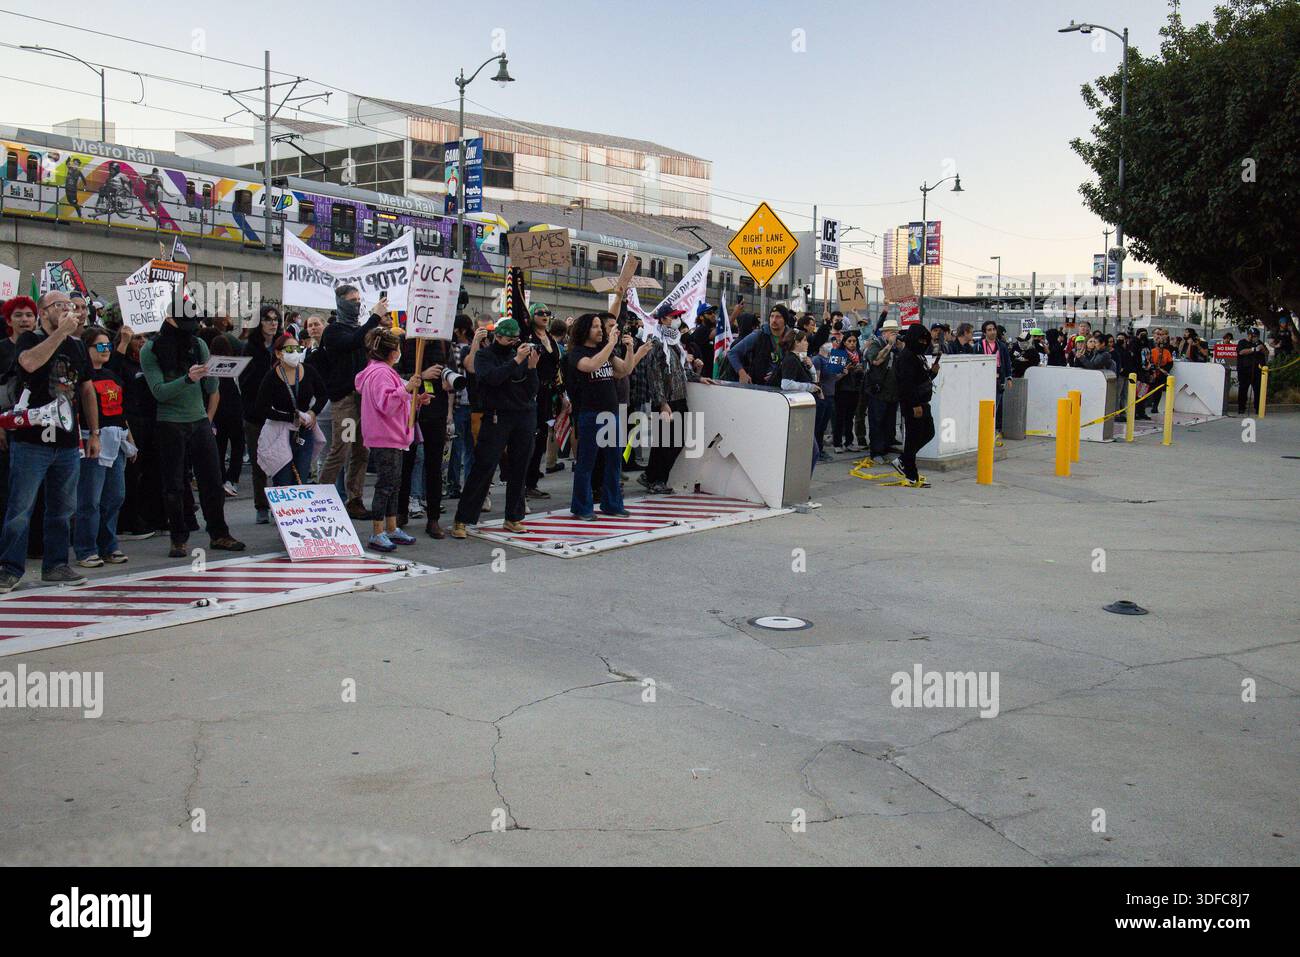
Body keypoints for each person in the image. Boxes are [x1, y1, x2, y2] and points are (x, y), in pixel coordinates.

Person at [0, 291, 101, 591]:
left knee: (62, 508)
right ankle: (9, 567)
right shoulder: (30, 339)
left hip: (67, 441)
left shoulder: (79, 346)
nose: (69, 311)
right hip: (32, 439)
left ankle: (56, 565)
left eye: (71, 307)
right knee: (21, 507)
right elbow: (30, 364)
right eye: (61, 306)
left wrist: (93, 433)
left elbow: (85, 390)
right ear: (44, 313)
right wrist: (60, 334)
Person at [140, 308, 245, 558]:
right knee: (174, 483)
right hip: (169, 422)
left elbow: (212, 386)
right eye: (184, 322)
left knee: (212, 480)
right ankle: (178, 538)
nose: (190, 327)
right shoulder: (151, 349)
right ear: (169, 319)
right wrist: (188, 379)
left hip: (198, 421)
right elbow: (159, 392)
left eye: (193, 321)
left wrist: (208, 414)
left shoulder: (198, 344)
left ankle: (219, 533)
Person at [452, 317, 542, 538]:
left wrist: (531, 368)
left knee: (519, 467)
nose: (513, 343)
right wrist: (516, 361)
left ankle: (513, 517)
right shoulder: (485, 356)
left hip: (523, 415)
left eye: (516, 339)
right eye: (508, 339)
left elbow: (532, 390)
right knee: (484, 466)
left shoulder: (519, 354)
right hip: (497, 416)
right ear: (498, 337)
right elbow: (492, 379)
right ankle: (463, 519)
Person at [563, 312, 652, 523]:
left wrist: (631, 350)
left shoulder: (606, 353)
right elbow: (591, 366)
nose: (600, 330)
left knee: (614, 462)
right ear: (585, 330)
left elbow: (625, 370)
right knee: (587, 463)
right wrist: (610, 344)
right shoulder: (576, 353)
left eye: (600, 327)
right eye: (595, 327)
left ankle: (612, 503)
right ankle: (581, 507)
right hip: (590, 413)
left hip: (611, 412)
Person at [355, 327, 430, 551]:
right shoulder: (380, 373)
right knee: (386, 485)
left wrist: (415, 399)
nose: (399, 352)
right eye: (397, 348)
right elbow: (386, 404)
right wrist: (407, 389)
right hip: (385, 435)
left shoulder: (383, 371)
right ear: (391, 352)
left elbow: (396, 399)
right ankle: (377, 531)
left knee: (393, 485)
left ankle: (391, 526)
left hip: (392, 434)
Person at [318, 286, 387, 518]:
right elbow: (352, 342)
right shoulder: (334, 331)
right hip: (346, 401)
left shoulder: (360, 329)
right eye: (352, 300)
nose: (357, 304)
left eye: (359, 299)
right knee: (341, 449)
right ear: (340, 303)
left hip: (363, 400)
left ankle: (354, 499)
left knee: (362, 451)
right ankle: (320, 498)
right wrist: (374, 317)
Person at [73, 327, 135, 568]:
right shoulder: (81, 377)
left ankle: (108, 544)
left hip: (116, 439)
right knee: (90, 499)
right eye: (100, 346)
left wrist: (130, 438)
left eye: (108, 346)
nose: (105, 350)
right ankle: (86, 548)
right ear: (86, 349)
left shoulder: (113, 374)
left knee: (115, 496)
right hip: (93, 440)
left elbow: (121, 409)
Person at [638, 304, 705, 494]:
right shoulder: (656, 342)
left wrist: (698, 377)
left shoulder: (675, 342)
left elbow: (682, 371)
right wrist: (662, 403)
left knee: (668, 442)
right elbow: (654, 376)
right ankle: (657, 480)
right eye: (673, 317)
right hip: (667, 401)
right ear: (663, 319)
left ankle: (651, 476)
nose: (677, 320)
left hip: (678, 397)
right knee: (668, 443)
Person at [255, 333, 327, 487]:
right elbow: (261, 408)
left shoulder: (308, 371)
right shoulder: (271, 377)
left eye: (297, 348)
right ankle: (280, 510)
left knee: (300, 478)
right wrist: (290, 417)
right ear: (279, 353)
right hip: (280, 431)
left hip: (304, 430)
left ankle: (298, 510)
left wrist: (313, 412)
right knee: (283, 480)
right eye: (289, 349)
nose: (294, 352)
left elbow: (323, 395)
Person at [240, 305, 281, 523]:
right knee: (258, 462)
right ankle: (261, 506)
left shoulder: (280, 346)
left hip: (278, 412)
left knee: (280, 459)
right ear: (259, 323)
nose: (273, 323)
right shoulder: (249, 348)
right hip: (255, 413)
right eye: (268, 319)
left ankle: (279, 505)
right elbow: (245, 382)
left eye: (275, 319)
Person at [523, 302, 563, 500]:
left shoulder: (550, 339)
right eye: (540, 313)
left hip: (548, 393)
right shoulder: (527, 336)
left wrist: (561, 395)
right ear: (532, 316)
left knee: (541, 438)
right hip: (532, 392)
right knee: (529, 438)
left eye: (548, 313)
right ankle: (522, 480)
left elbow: (556, 368)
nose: (545, 316)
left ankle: (531, 483)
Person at [893, 324, 940, 488]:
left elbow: (921, 380)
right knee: (913, 438)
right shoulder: (906, 357)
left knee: (929, 432)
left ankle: (904, 460)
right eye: (920, 340)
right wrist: (914, 404)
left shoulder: (918, 355)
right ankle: (911, 474)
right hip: (913, 404)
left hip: (922, 402)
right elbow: (907, 384)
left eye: (925, 340)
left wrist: (933, 373)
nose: (923, 343)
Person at [776, 330, 822, 471]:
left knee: (811, 452)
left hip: (800, 411)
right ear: (796, 342)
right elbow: (787, 384)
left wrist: (811, 367)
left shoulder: (799, 360)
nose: (807, 343)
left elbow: (814, 380)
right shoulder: (791, 359)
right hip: (794, 413)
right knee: (812, 451)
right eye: (804, 340)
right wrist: (810, 387)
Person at [208, 336, 245, 496]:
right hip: (235, 409)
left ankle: (221, 478)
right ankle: (232, 479)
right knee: (238, 445)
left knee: (220, 446)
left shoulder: (209, 365)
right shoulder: (235, 363)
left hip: (217, 411)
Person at [864, 318, 902, 461]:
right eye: (892, 332)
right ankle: (876, 452)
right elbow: (875, 360)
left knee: (889, 421)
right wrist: (889, 346)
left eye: (896, 333)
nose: (895, 335)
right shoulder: (876, 344)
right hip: (878, 390)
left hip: (892, 391)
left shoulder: (896, 347)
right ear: (885, 333)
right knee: (877, 421)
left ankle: (886, 445)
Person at [728, 305, 790, 386]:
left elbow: (796, 362)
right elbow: (732, 353)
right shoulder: (758, 335)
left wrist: (777, 374)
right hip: (760, 386)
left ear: (785, 320)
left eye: (778, 317)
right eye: (772, 316)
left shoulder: (791, 337)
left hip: (784, 387)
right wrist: (742, 373)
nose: (774, 320)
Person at [977, 319, 1013, 431]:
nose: (992, 332)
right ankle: (982, 429)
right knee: (983, 406)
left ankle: (990, 430)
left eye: (993, 329)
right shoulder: (979, 346)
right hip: (983, 380)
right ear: (984, 332)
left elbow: (1007, 362)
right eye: (989, 330)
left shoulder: (1002, 346)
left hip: (998, 380)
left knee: (995, 407)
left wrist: (1009, 378)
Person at [834, 332, 864, 453]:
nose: (852, 344)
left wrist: (860, 370)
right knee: (839, 417)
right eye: (849, 341)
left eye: (854, 341)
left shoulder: (859, 354)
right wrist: (845, 370)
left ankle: (849, 442)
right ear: (844, 342)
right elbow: (834, 376)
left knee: (850, 417)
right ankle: (837, 443)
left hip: (855, 389)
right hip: (842, 390)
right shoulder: (838, 353)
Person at [1236, 328, 1267, 414]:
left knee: (1258, 390)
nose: (1255, 338)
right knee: (1243, 389)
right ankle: (1241, 408)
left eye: (1256, 336)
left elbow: (1266, 353)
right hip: (1244, 370)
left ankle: (1258, 408)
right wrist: (1254, 349)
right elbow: (1241, 352)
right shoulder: (1242, 342)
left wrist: (1262, 348)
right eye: (1253, 336)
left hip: (1257, 370)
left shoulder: (1259, 343)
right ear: (1249, 335)